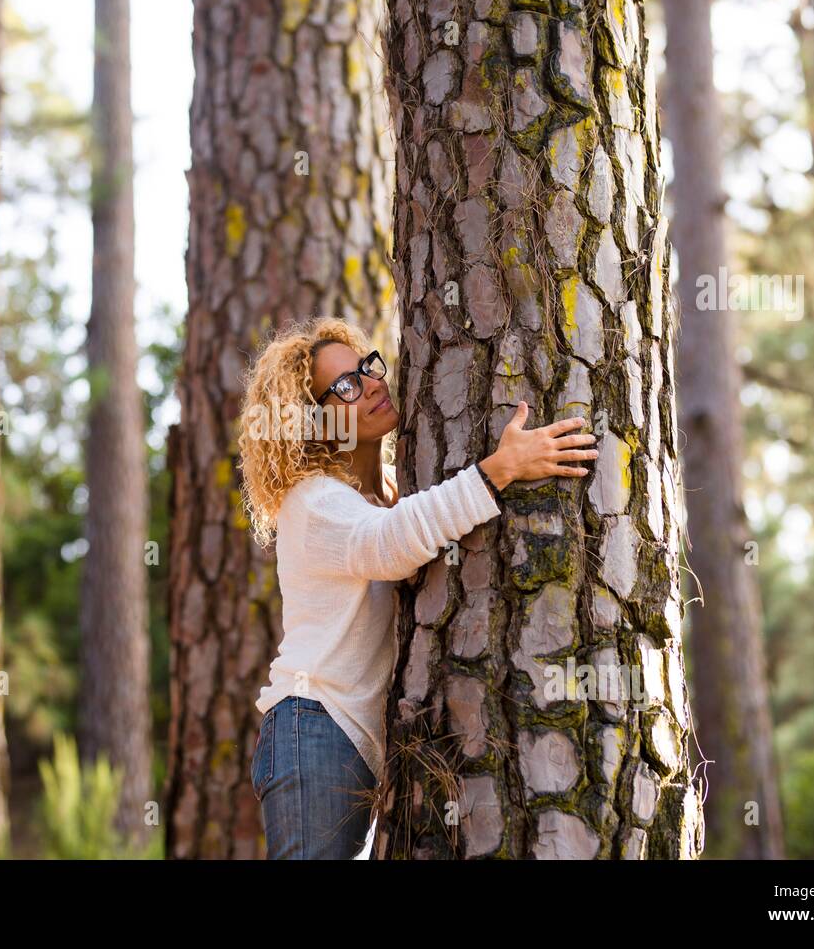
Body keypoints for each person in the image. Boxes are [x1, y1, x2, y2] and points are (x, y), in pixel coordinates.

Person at [236, 316, 599, 859]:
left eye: (365, 368)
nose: (371, 383)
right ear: (315, 423)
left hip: (342, 739)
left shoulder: (379, 491)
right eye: (345, 386)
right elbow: (392, 545)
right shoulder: (313, 502)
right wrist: (500, 469)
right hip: (313, 729)